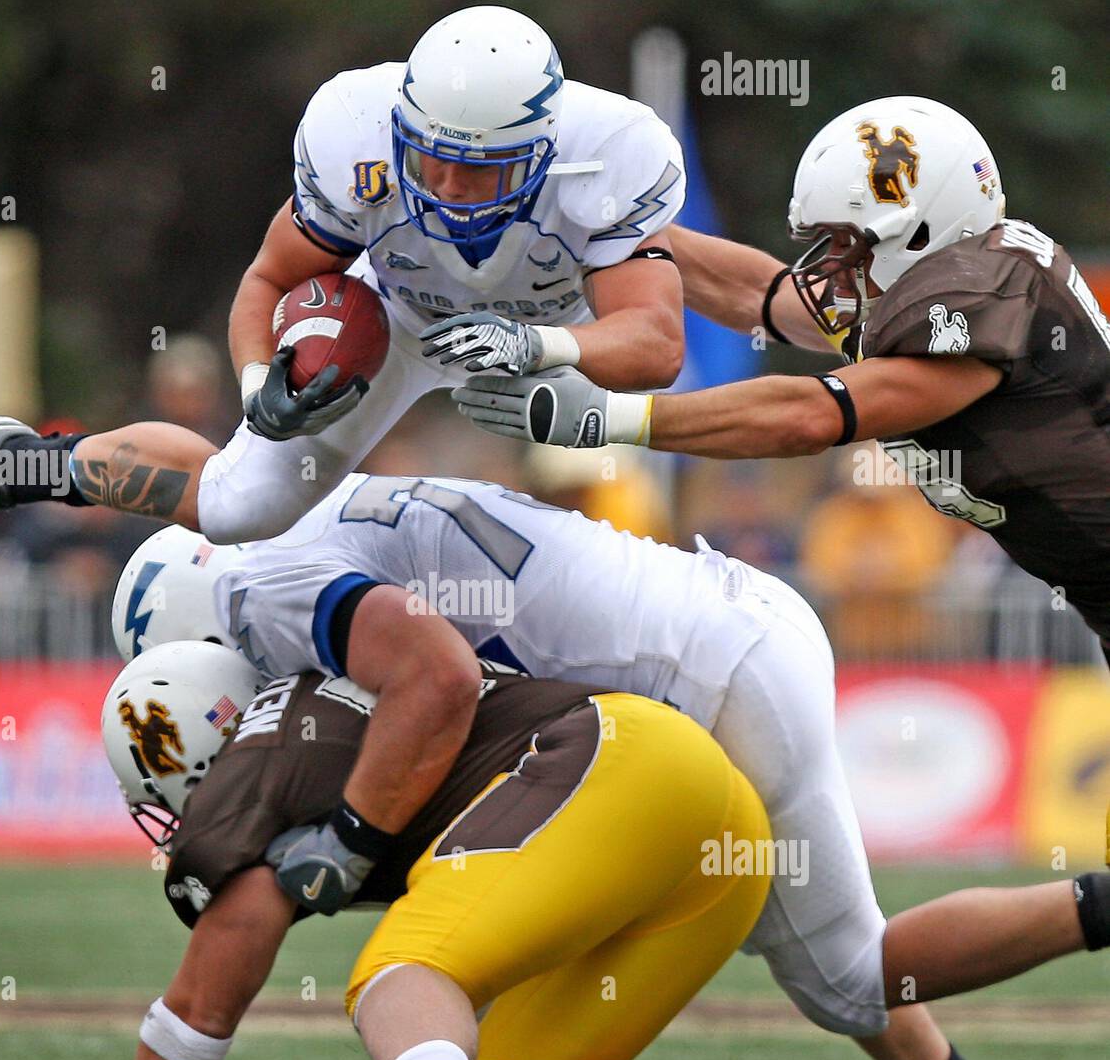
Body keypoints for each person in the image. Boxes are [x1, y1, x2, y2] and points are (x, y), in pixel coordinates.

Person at [0, 640, 803, 1060]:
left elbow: (205, 1002)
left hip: (608, 763)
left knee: (398, 975)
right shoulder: (313, 708)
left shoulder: (252, 761)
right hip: (714, 828)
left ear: (180, 750)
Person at [0, 5, 685, 550]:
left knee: (577, 512)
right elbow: (267, 281)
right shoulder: (353, 132)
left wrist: (535, 344)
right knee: (238, 508)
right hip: (403, 312)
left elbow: (655, 345)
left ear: (544, 150)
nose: (447, 187)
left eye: (481, 170)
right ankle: (25, 462)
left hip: (551, 338)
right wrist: (260, 377)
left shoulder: (612, 151)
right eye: (431, 158)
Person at [453, 95, 1110, 676]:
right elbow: (762, 296)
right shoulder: (955, 271)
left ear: (923, 230)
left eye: (850, 246)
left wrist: (608, 418)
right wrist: (601, 227)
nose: (832, 268)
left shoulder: (978, 296)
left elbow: (813, 415)